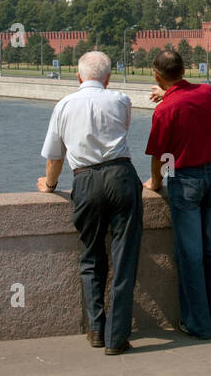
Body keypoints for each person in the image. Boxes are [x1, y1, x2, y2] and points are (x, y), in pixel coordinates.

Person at [38, 50, 141, 356]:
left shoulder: (64, 105)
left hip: (85, 180)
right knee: (125, 258)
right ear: (108, 78)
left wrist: (50, 185)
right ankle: (117, 336)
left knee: (91, 255)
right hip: (122, 177)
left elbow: (55, 157)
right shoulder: (121, 100)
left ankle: (96, 328)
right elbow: (122, 130)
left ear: (78, 76)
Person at [144, 48, 211, 341]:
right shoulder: (207, 93)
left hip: (185, 181)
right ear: (184, 70)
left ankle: (198, 325)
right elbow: (187, 99)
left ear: (157, 75)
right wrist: (167, 93)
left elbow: (159, 156)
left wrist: (155, 183)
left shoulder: (164, 110)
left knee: (190, 255)